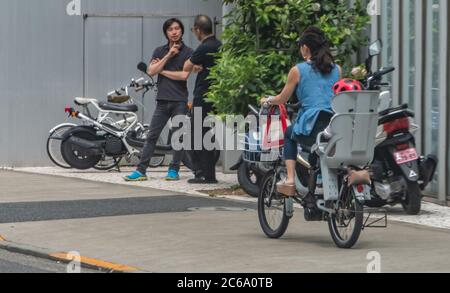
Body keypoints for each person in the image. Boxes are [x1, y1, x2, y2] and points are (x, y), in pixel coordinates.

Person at [260, 26, 342, 204]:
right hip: (335, 127)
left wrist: (267, 100)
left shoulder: (298, 70)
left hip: (312, 126)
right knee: (318, 150)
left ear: (305, 48)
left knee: (289, 134)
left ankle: (290, 179)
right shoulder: (337, 69)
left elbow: (283, 98)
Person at [124, 18, 193, 182]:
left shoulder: (189, 52)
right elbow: (151, 70)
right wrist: (168, 55)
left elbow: (184, 75)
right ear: (166, 33)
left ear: (181, 31)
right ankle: (141, 170)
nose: (174, 32)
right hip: (162, 101)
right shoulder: (159, 50)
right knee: (151, 136)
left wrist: (162, 70)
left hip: (180, 101)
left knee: (178, 137)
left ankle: (174, 170)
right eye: (171, 29)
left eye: (177, 28)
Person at [183, 15, 222, 184]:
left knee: (196, 135)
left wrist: (195, 65)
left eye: (194, 30)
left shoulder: (203, 47)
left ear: (198, 29)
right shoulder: (219, 45)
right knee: (205, 134)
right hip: (215, 96)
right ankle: (206, 173)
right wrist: (201, 66)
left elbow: (186, 66)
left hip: (203, 96)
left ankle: (206, 175)